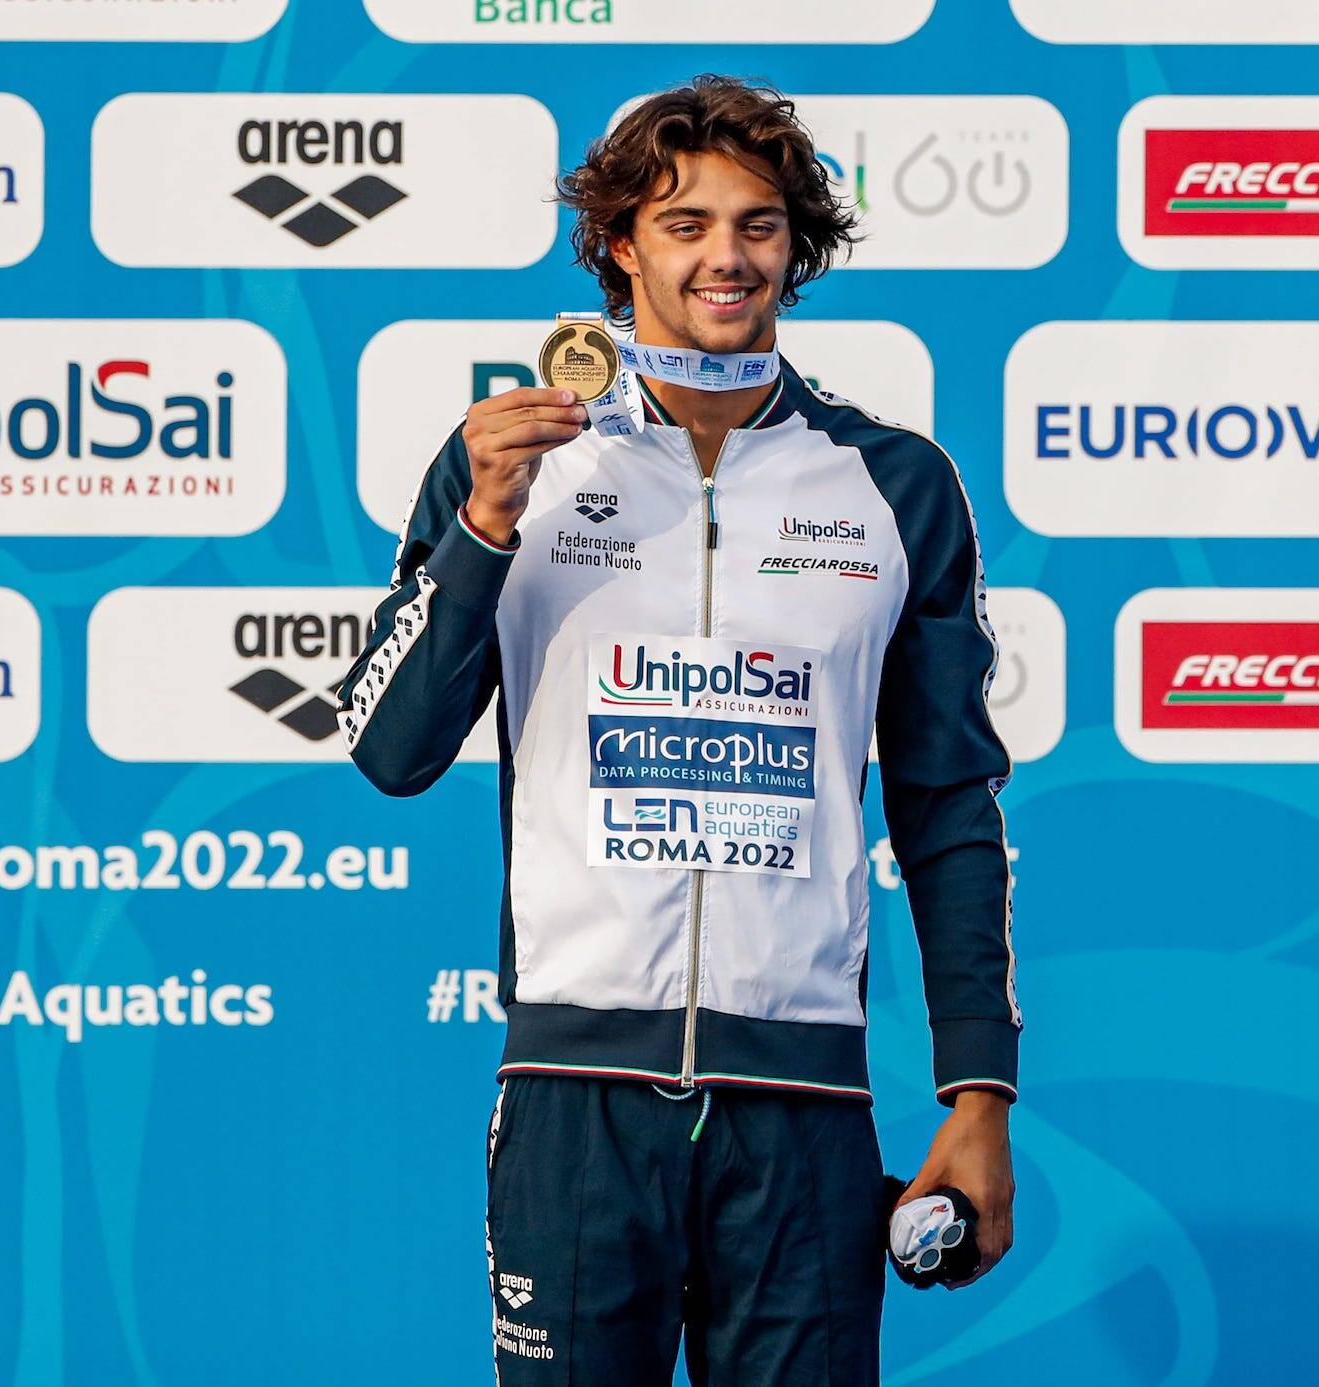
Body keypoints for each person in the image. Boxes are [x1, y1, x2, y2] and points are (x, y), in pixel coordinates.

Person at [337, 74, 1020, 1384]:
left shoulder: (893, 484)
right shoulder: (515, 463)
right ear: (618, 245)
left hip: (806, 1108)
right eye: (686, 221)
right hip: (572, 1095)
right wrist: (481, 529)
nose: (726, 255)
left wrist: (977, 1094)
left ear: (795, 247)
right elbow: (390, 748)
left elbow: (948, 809)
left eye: (759, 225)